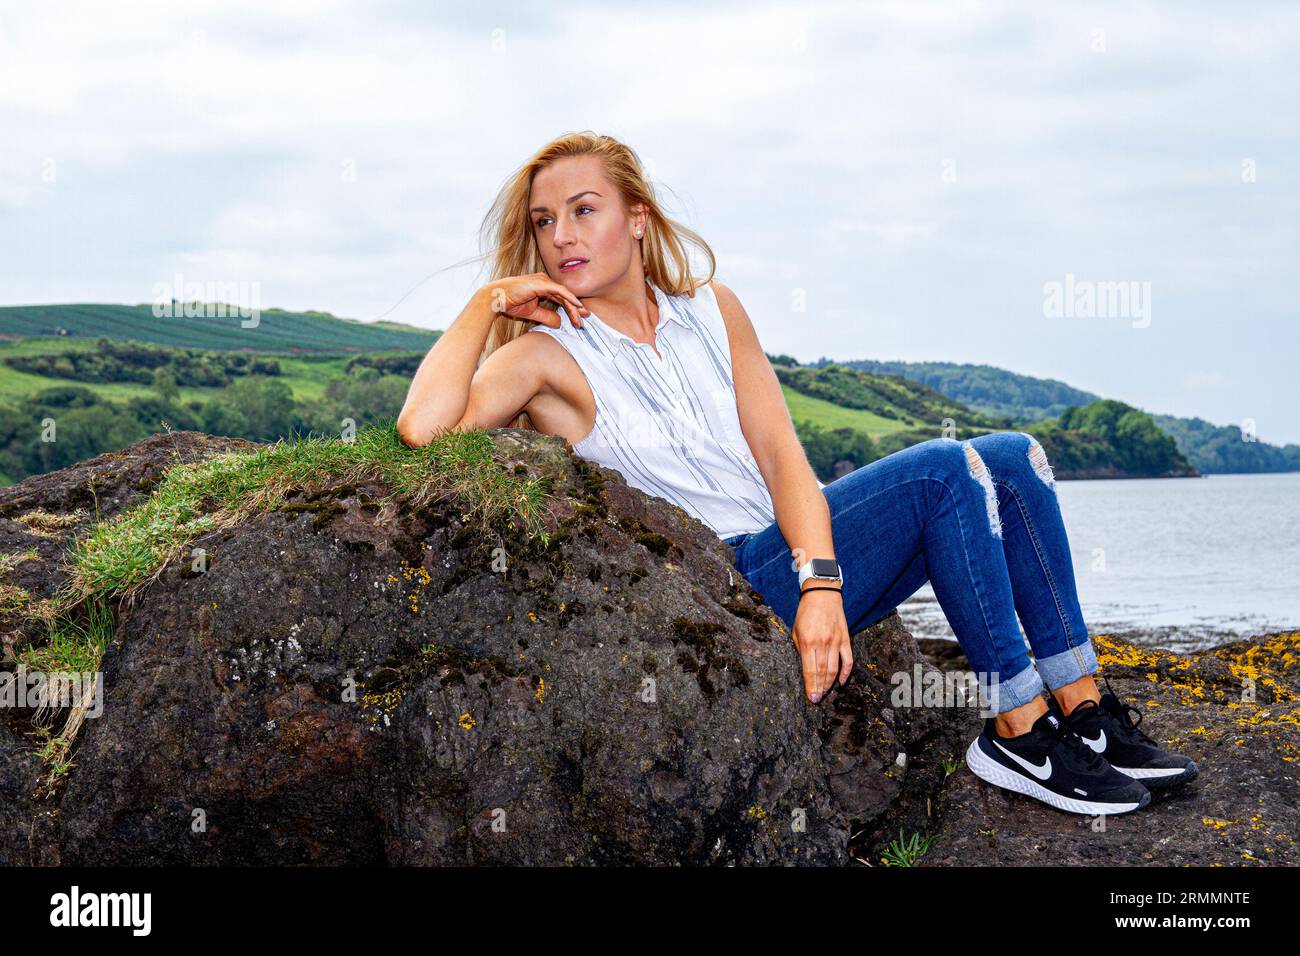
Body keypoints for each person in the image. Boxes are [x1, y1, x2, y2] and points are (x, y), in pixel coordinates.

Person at [396, 130, 1198, 817]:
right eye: (544, 221)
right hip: (721, 585)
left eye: (584, 209)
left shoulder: (713, 309)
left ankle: (1084, 710)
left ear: (637, 219)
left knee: (1012, 456)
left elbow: (782, 455)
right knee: (945, 471)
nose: (562, 234)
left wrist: (820, 584)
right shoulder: (544, 357)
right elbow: (422, 431)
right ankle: (1020, 731)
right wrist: (486, 305)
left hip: (790, 553)